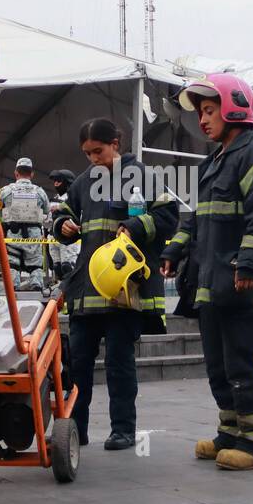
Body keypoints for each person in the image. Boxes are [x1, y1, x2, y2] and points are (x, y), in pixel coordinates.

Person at [160, 74, 253, 471]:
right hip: (213, 285)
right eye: (200, 113)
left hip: (245, 285)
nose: (202, 120)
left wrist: (249, 265)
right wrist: (175, 249)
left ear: (234, 108)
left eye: (209, 111)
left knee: (248, 360)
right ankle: (232, 432)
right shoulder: (213, 163)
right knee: (221, 363)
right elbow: (199, 217)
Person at [51, 119, 177, 450]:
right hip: (87, 292)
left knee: (120, 365)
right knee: (77, 366)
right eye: (87, 153)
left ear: (116, 143)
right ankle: (76, 429)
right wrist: (63, 224)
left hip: (124, 291)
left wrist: (135, 225)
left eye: (99, 150)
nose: (93, 158)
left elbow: (169, 215)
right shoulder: (82, 183)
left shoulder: (143, 177)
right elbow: (61, 213)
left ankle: (122, 429)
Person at [0, 157, 50, 290]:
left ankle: (13, 287)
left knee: (13, 262)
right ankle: (36, 286)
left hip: (12, 233)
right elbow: (47, 211)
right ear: (32, 174)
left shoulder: (5, 191)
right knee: (35, 263)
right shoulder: (40, 192)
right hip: (33, 235)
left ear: (16, 173)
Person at [46, 168, 81, 283]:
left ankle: (71, 290)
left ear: (67, 182)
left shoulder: (74, 199)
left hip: (68, 237)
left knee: (67, 266)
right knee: (56, 267)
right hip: (52, 237)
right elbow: (46, 219)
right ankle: (60, 290)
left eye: (59, 180)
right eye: (54, 180)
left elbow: (80, 217)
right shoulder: (53, 199)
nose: (55, 183)